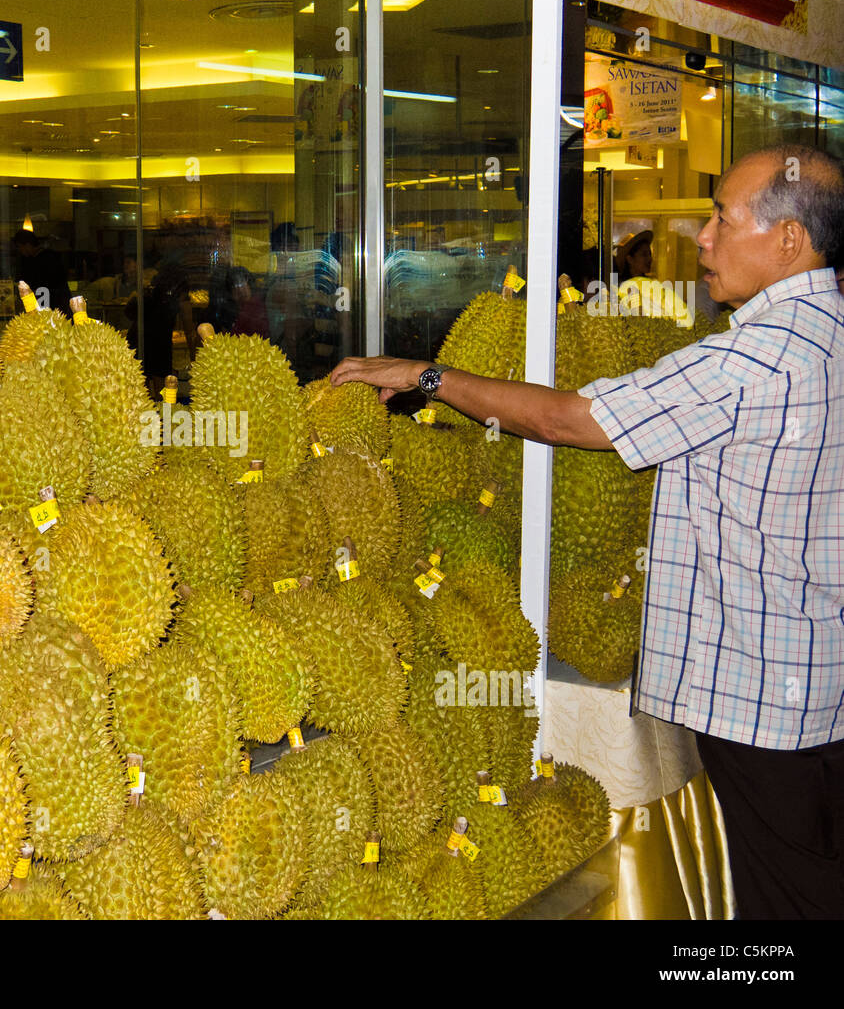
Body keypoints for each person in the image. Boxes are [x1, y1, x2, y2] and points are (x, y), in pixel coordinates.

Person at [332, 143, 844, 920]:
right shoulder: (830, 332)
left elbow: (570, 420)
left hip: (761, 700)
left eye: (720, 218)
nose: (702, 238)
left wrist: (422, 375)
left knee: (782, 905)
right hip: (818, 680)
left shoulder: (758, 359)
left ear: (787, 240)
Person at [12, 228, 71, 318]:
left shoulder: (48, 259)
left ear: (27, 245)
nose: (20, 251)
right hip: (51, 307)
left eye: (20, 247)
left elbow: (48, 288)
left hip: (56, 307)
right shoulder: (34, 259)